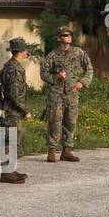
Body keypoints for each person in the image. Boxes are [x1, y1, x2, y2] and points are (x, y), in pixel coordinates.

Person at [40, 25, 93, 162]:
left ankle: (67, 151)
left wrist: (82, 82)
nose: (68, 36)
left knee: (70, 122)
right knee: (55, 121)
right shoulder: (52, 55)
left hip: (72, 93)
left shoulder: (78, 52)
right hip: (56, 94)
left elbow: (89, 68)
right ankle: (52, 151)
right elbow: (43, 73)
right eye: (65, 35)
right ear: (59, 38)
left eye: (69, 34)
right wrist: (56, 76)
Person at [0, 37, 34, 184]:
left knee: (12, 140)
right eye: (25, 50)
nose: (26, 53)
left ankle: (10, 169)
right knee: (9, 141)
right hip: (10, 111)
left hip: (9, 110)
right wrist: (25, 110)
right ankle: (6, 173)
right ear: (22, 51)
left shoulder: (10, 65)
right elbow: (14, 93)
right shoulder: (15, 68)